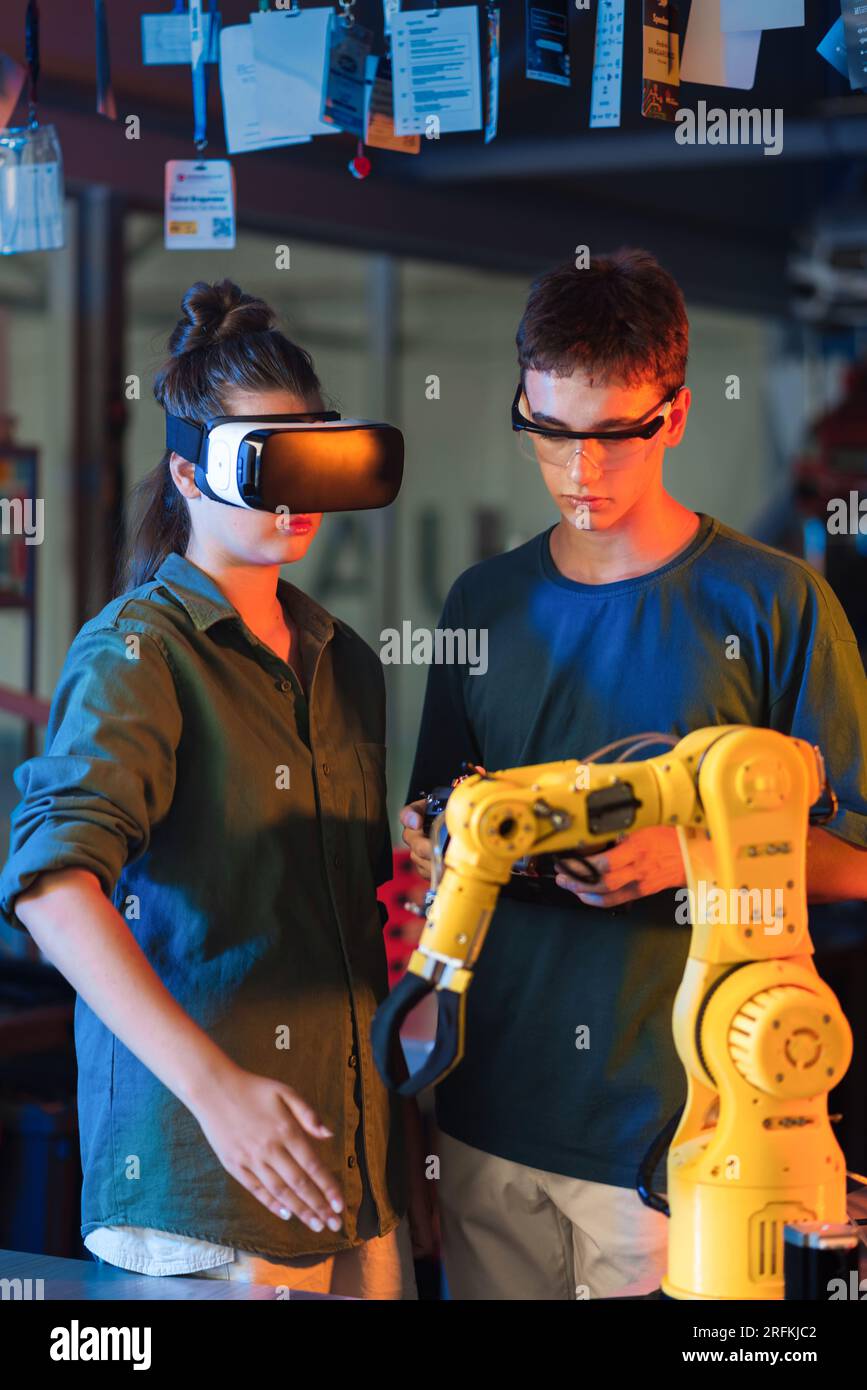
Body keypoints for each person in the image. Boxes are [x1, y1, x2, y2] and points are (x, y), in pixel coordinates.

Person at [400, 248, 867, 1301]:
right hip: (487, 1112)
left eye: (615, 437)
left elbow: (861, 858)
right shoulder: (484, 602)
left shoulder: (775, 606)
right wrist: (437, 832)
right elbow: (434, 812)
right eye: (552, 433)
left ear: (677, 415)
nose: (581, 472)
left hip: (692, 1136)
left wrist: (693, 856)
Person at [0, 279, 431, 1298]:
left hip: (355, 1173)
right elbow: (51, 889)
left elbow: (345, 917)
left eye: (308, 459)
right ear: (189, 476)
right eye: (261, 464)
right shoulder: (140, 654)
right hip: (201, 1193)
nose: (292, 498)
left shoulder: (344, 659)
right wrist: (216, 1088)